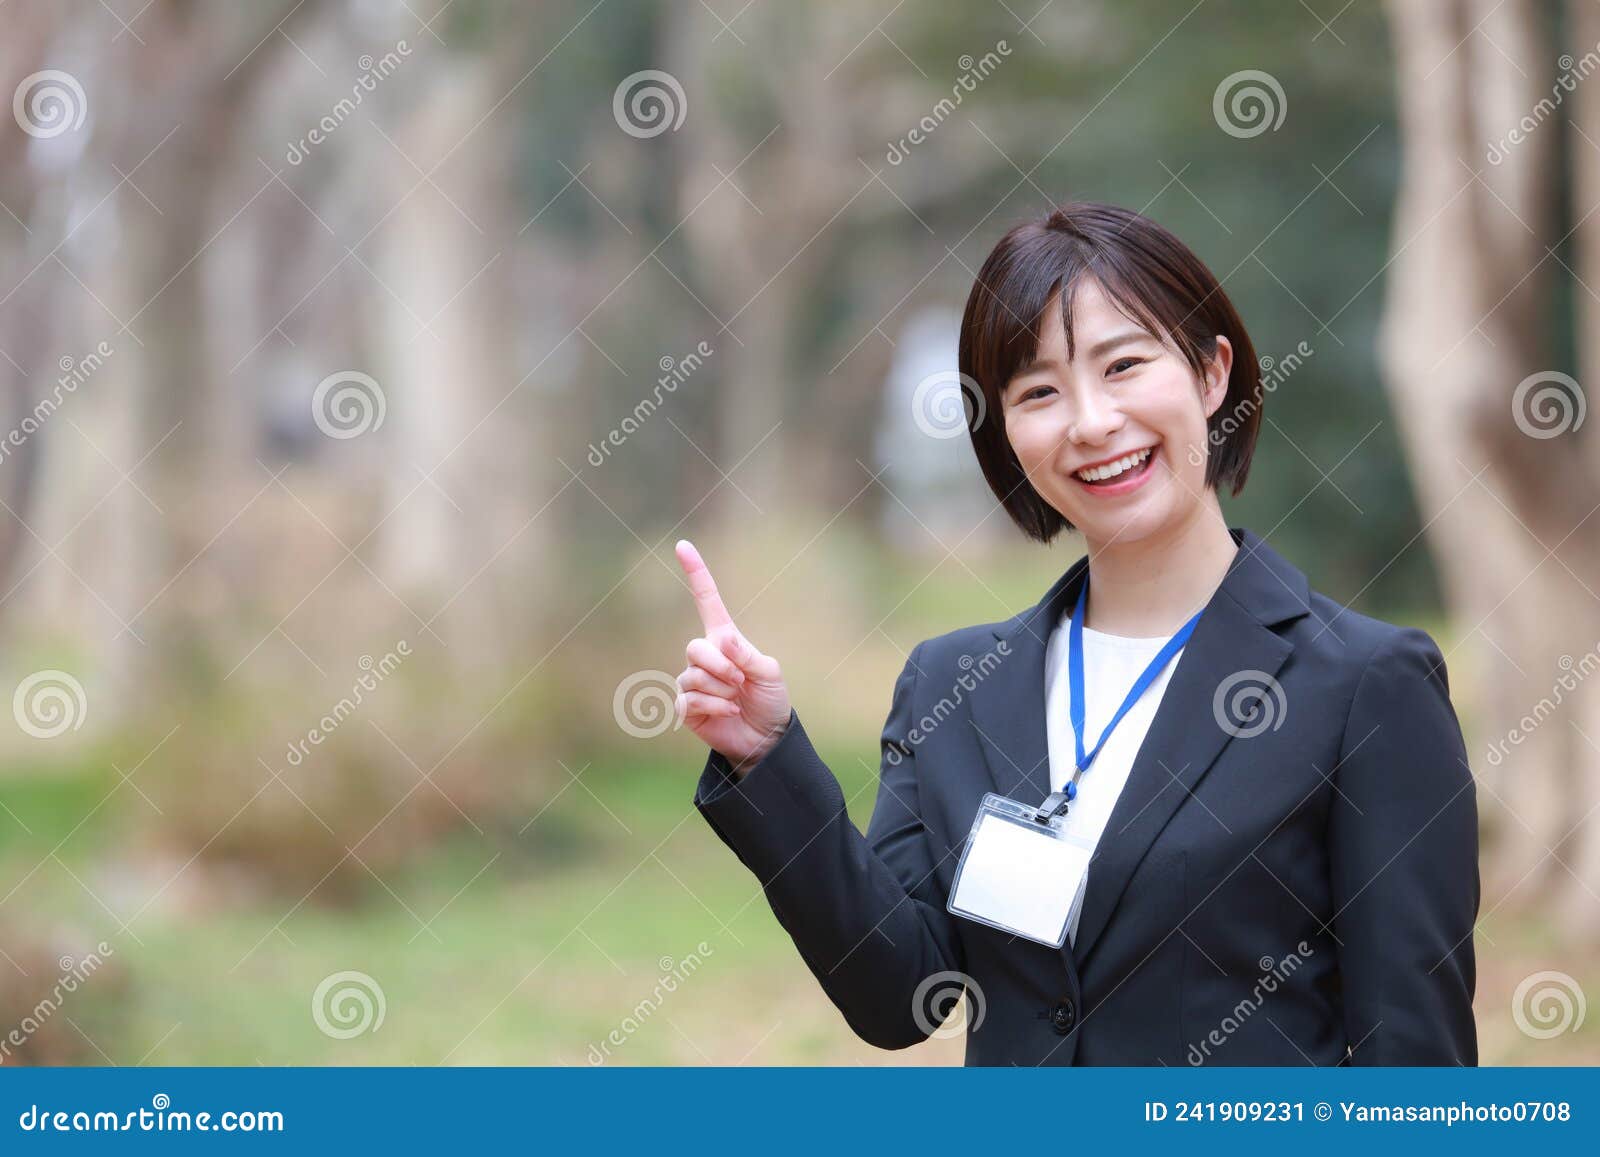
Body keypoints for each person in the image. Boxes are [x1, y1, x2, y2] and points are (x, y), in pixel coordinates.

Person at [672, 201, 1478, 1066]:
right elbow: (898, 994)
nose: (1091, 422)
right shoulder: (953, 684)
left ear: (1212, 375)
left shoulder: (1364, 683)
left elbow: (1418, 1063)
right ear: (1009, 434)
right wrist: (767, 757)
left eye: (1124, 364)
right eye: (1040, 391)